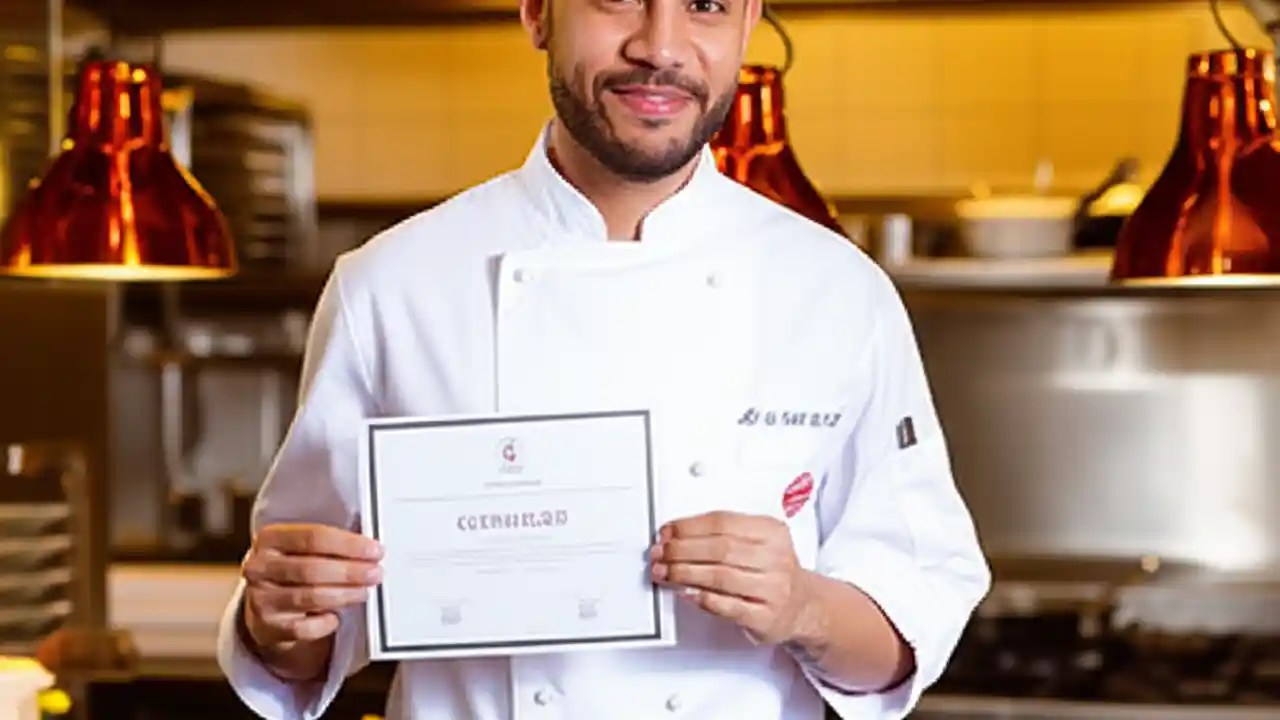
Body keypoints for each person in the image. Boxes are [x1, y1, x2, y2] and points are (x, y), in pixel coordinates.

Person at [215, 0, 991, 718]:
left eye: (708, 6)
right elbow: (303, 631)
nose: (659, 46)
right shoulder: (391, 286)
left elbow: (909, 627)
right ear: (536, 12)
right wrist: (282, 617)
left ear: (750, 22)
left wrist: (803, 606)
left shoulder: (839, 293)